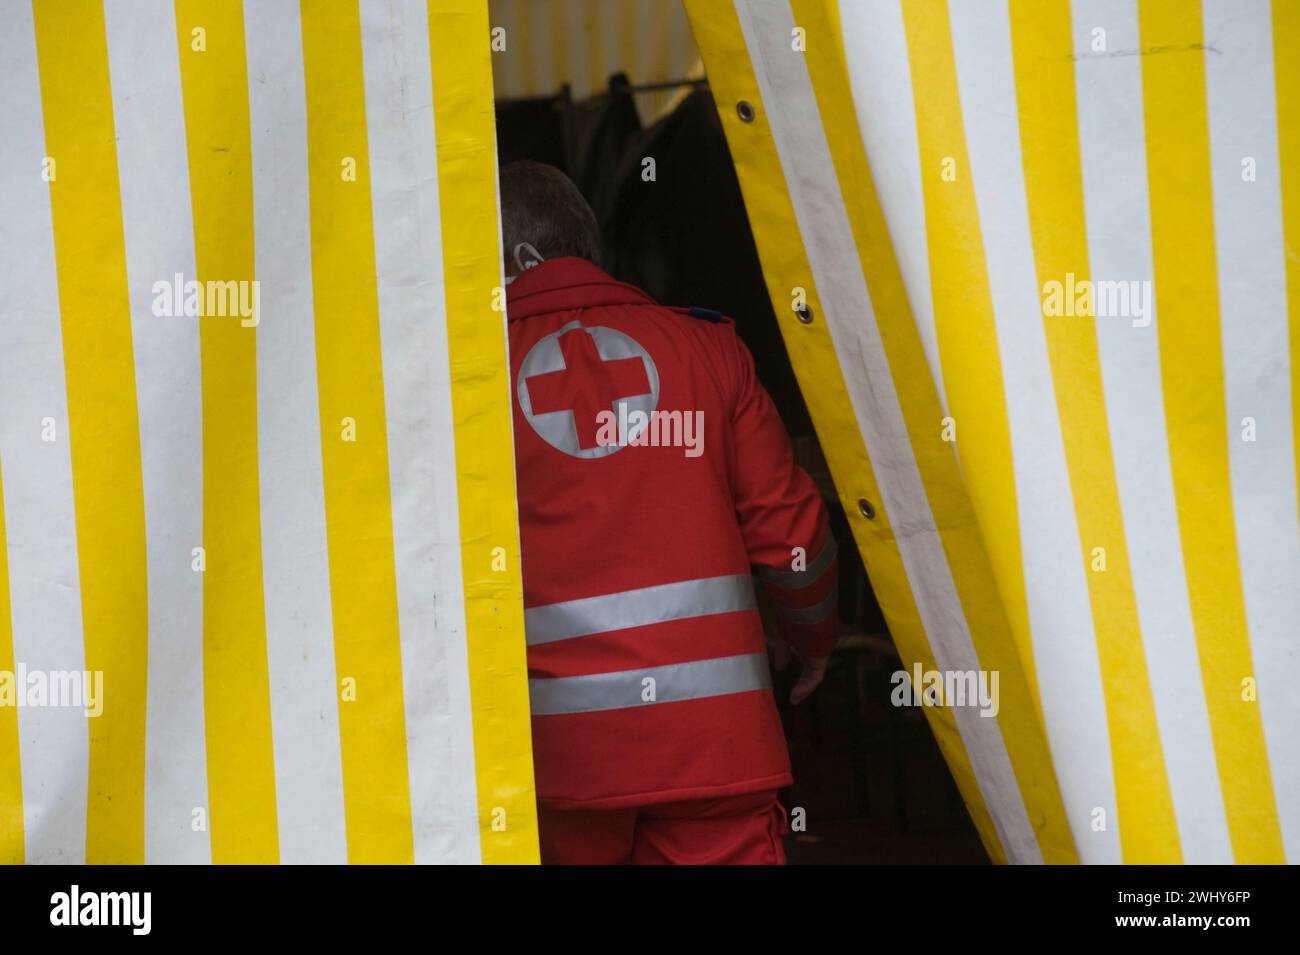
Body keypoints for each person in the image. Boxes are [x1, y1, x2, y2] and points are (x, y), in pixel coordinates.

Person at [502, 160, 838, 865]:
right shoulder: (709, 347)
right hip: (714, 744)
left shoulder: (463, 384)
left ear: (519, 260)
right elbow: (791, 535)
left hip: (555, 762)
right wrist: (812, 639)